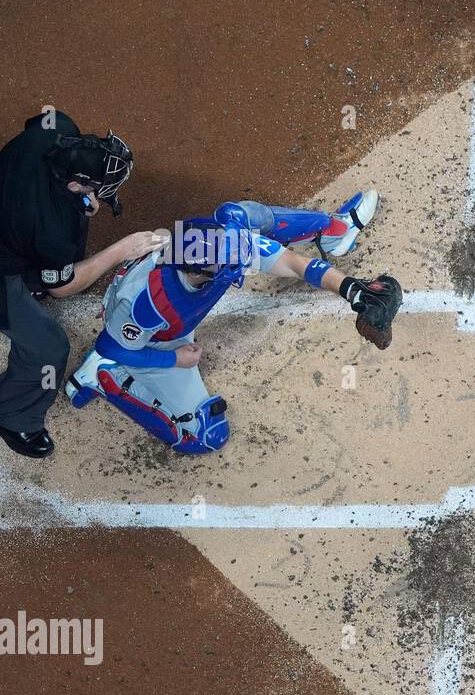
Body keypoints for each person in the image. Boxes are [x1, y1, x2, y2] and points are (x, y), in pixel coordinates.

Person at [63, 192, 400, 454]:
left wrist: (348, 288)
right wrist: (174, 359)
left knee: (238, 213)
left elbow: (295, 265)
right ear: (196, 271)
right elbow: (112, 345)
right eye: (229, 262)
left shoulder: (213, 243)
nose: (239, 261)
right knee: (205, 437)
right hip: (152, 339)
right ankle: (101, 377)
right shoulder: (149, 302)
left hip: (173, 323)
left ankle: (332, 229)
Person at [0, 110, 163, 458]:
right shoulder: (50, 228)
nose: (104, 190)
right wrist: (121, 249)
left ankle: (33, 278)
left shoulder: (55, 131)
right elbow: (65, 286)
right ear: (73, 183)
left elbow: (41, 118)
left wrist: (80, 201)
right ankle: (15, 416)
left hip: (10, 211)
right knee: (49, 348)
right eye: (95, 185)